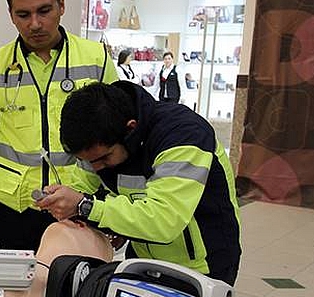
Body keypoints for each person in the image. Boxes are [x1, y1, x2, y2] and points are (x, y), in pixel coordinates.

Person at [0, 0, 119, 253]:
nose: (34, 23)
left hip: (78, 207)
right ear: (11, 15)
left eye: (44, 11)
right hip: (11, 209)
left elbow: (118, 141)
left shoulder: (95, 59)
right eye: (23, 14)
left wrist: (115, 210)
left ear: (61, 5)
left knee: (73, 295)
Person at [38, 80, 241, 285]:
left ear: (130, 130)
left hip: (201, 267)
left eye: (104, 158)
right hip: (143, 260)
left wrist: (86, 206)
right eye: (88, 161)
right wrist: (67, 203)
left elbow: (163, 221)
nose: (96, 168)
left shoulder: (183, 135)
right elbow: (80, 187)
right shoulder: (99, 141)